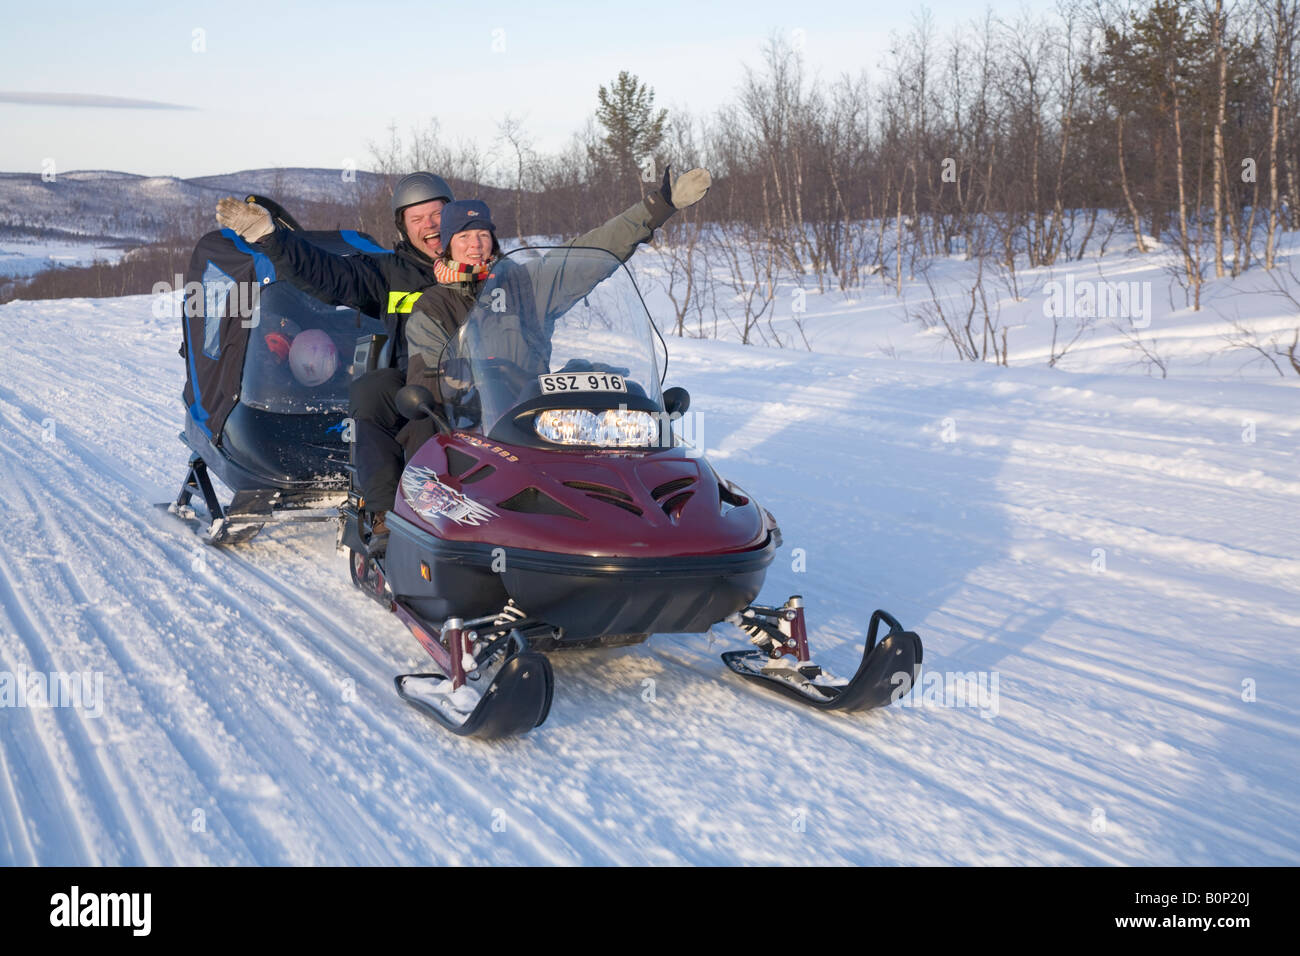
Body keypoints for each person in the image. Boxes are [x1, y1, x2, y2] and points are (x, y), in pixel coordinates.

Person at [214, 172, 455, 541]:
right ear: (404, 228)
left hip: (487, 385)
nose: (430, 226)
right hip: (420, 390)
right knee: (375, 391)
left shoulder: (487, 260)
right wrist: (270, 238)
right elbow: (329, 274)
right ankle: (385, 515)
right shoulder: (389, 273)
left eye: (436, 215)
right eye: (417, 219)